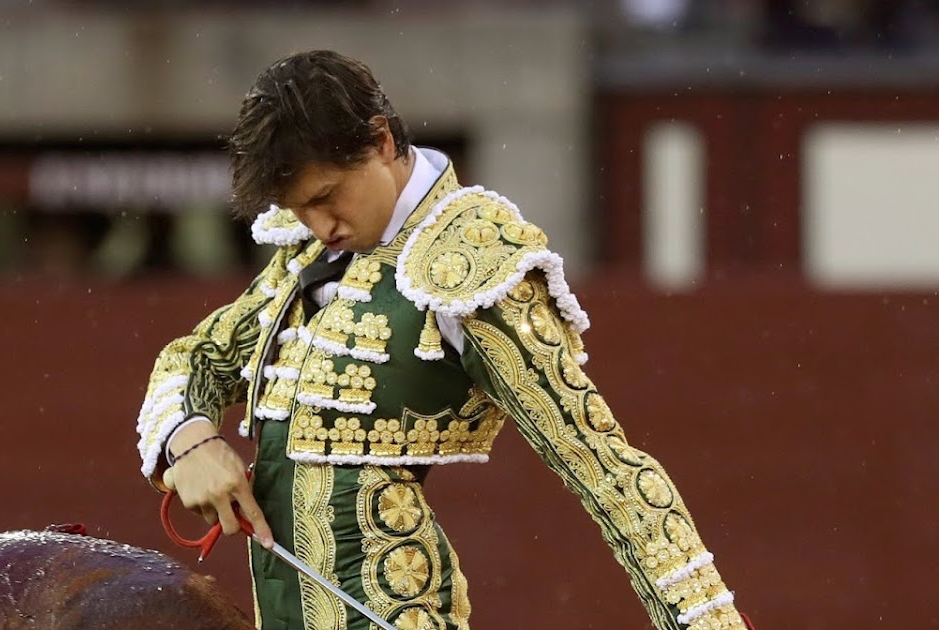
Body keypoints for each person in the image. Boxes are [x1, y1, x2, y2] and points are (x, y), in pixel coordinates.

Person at [135, 50, 750, 630]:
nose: (320, 226)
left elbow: (605, 468)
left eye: (326, 197)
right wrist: (190, 439)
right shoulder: (309, 251)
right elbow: (200, 356)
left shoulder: (472, 262)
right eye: (299, 211)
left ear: (381, 141)